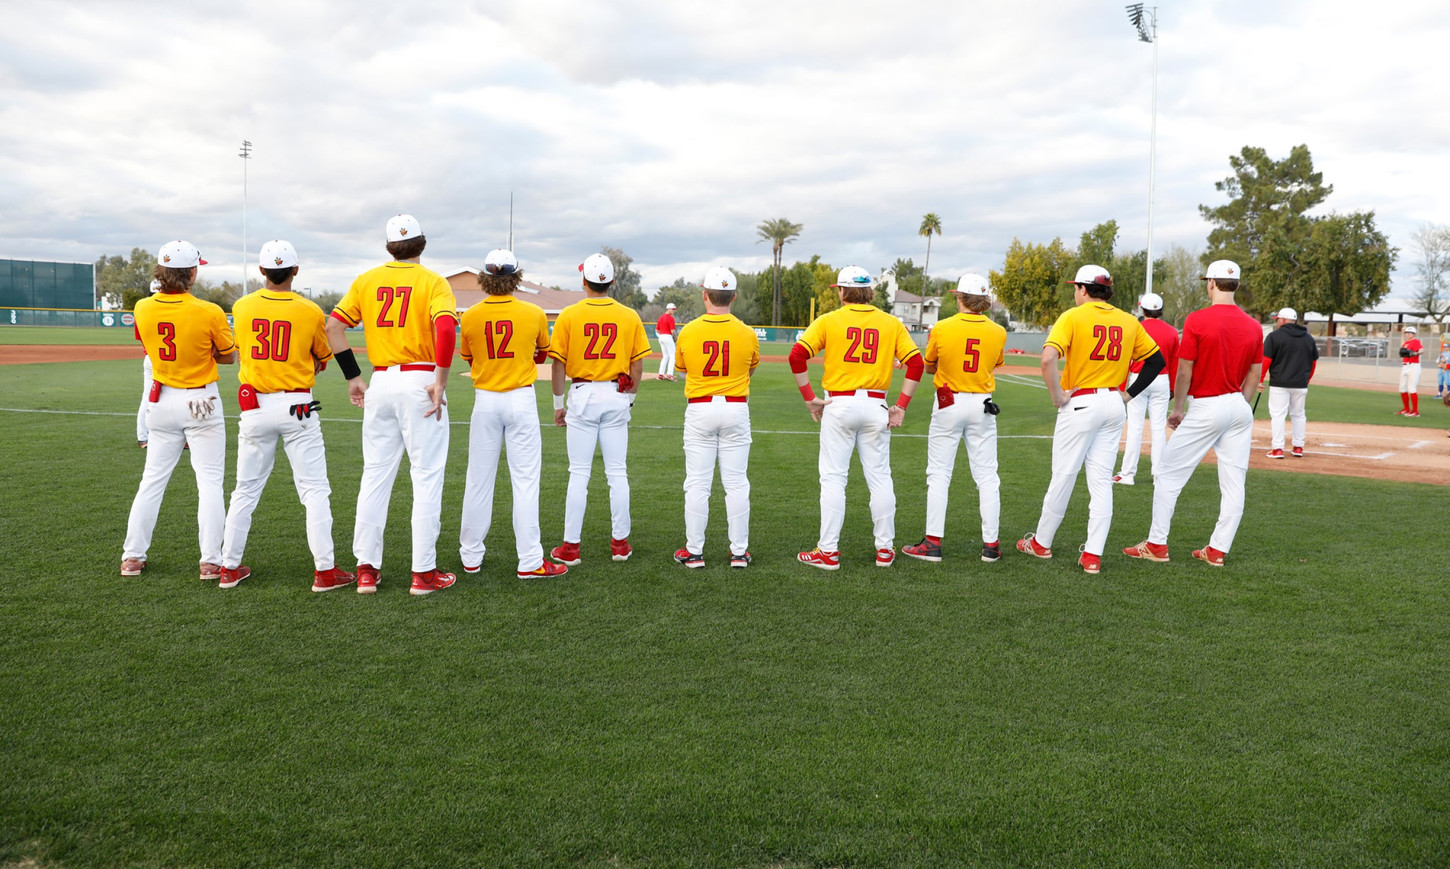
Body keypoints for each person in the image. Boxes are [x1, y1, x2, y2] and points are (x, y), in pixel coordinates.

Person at [324, 214, 459, 596]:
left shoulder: (367, 279)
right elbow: (446, 329)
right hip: (419, 380)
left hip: (381, 381)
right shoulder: (433, 281)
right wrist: (441, 381)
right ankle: (423, 574)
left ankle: (366, 571)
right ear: (422, 243)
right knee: (427, 476)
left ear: (389, 247)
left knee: (375, 476)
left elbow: (333, 327)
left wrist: (354, 377)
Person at [218, 240, 355, 592]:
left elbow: (240, 350)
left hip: (256, 406)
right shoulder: (310, 310)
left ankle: (228, 568)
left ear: (262, 271)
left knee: (244, 490)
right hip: (298, 405)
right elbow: (322, 358)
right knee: (314, 490)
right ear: (295, 270)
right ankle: (325, 571)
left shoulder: (242, 306)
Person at [1016, 264, 1164, 575]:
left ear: (1084, 289)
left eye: (1076, 287)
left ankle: (1041, 542)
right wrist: (1128, 395)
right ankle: (1092, 555)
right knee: (1101, 482)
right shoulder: (1128, 320)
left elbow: (1047, 358)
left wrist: (1057, 396)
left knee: (1064, 475)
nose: (1075, 292)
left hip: (1081, 402)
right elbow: (1157, 361)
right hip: (1113, 402)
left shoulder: (1073, 316)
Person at [1124, 259, 1262, 567]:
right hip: (1238, 406)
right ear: (1236, 285)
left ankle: (1157, 544)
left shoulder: (1198, 320)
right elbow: (1254, 374)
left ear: (1211, 283)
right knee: (1234, 482)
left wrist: (1178, 408)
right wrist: (1240, 403)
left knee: (1168, 474)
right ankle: (1217, 550)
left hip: (1207, 405)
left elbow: (1184, 371)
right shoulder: (1253, 326)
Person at [788, 265, 924, 569]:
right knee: (879, 478)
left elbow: (797, 356)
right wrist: (901, 405)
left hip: (840, 405)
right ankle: (885, 549)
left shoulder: (829, 320)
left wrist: (810, 399)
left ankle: (828, 551)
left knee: (834, 478)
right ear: (870, 292)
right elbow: (916, 363)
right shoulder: (890, 323)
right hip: (876, 405)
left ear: (841, 291)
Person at [121, 240, 237, 579]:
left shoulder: (142, 307)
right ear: (191, 273)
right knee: (210, 483)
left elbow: (146, 344)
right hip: (200, 399)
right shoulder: (209, 311)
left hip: (160, 400)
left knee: (152, 482)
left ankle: (132, 558)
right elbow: (228, 356)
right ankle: (211, 561)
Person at [457, 249, 568, 580]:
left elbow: (469, 358)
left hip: (485, 400)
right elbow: (542, 356)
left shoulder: (471, 315)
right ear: (516, 277)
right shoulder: (534, 313)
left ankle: (471, 556)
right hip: (520, 399)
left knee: (478, 480)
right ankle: (530, 560)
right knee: (525, 482)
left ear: (484, 277)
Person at [548, 253, 651, 566]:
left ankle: (571, 547)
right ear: (612, 281)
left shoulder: (568, 314)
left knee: (579, 473)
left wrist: (557, 404)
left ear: (584, 281)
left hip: (582, 393)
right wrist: (629, 400)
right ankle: (619, 544)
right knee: (617, 473)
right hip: (615, 394)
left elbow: (558, 365)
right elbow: (637, 363)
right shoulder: (629, 315)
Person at [902, 274, 1007, 564]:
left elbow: (928, 367)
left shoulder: (943, 327)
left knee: (939, 474)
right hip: (982, 404)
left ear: (960, 298)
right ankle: (991, 545)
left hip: (948, 401)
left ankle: (933, 543)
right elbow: (996, 363)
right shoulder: (998, 330)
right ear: (984, 300)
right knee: (987, 476)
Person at [672, 267, 760, 568]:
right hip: (736, 407)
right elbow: (750, 369)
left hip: (700, 407)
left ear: (704, 294)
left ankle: (694, 551)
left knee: (697, 483)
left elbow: (684, 369)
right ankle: (739, 552)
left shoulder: (689, 331)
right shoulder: (747, 332)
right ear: (734, 296)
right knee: (736, 483)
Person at [1113, 292, 1179, 485]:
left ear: (1142, 309)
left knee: (1135, 427)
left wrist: (1120, 386)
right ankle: (1159, 474)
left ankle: (1128, 473)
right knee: (1159, 428)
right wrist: (1172, 387)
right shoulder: (1172, 332)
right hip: (1163, 380)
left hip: (1138, 380)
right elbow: (1175, 362)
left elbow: (1126, 360)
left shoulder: (1135, 328)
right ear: (1160, 310)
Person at [1260, 307, 1318, 459]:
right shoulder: (1308, 338)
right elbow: (1313, 363)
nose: (1278, 321)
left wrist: (1260, 379)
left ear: (1284, 320)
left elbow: (1266, 361)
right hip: (1300, 383)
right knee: (1298, 415)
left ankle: (1277, 448)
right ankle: (1298, 447)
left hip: (1279, 383)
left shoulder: (1274, 337)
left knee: (1278, 415)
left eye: (1279, 319)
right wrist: (1307, 379)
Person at [137, 279, 161, 447]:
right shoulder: (172, 307)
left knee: (147, 397)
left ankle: (143, 437)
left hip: (150, 358)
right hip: (170, 359)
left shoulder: (142, 308)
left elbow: (141, 337)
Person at [1397, 325, 1423, 417]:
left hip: (1413, 366)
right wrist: (1402, 334)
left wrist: (1416, 353)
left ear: (1414, 334)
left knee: (1412, 388)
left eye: (1410, 333)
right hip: (1405, 366)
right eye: (1407, 333)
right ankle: (1406, 409)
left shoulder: (1416, 341)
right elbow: (1403, 346)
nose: (1408, 334)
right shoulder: (1407, 343)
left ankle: (1415, 411)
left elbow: (1421, 350)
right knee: (1402, 388)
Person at [656, 302, 678, 381]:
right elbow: (672, 331)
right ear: (668, 309)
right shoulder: (670, 318)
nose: (673, 311)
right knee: (673, 356)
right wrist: (675, 338)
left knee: (665, 356)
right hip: (667, 336)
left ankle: (660, 374)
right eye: (672, 309)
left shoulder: (661, 317)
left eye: (674, 309)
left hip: (661, 337)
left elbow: (657, 330)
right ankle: (670, 374)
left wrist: (662, 335)